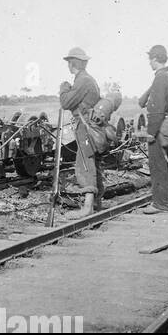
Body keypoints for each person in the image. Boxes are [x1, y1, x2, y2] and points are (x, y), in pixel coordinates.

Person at [58, 47, 104, 217]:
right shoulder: (88, 79)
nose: (68, 66)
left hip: (85, 127)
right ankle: (96, 204)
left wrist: (64, 88)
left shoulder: (82, 80)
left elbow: (66, 102)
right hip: (90, 126)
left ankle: (88, 207)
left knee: (85, 163)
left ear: (72, 64)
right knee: (91, 161)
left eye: (69, 63)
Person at [139, 44, 168, 215]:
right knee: (164, 164)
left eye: (150, 59)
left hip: (158, 128)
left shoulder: (161, 78)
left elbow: (157, 108)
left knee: (158, 166)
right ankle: (164, 202)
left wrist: (151, 132)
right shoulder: (165, 77)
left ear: (155, 58)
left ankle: (160, 204)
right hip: (163, 127)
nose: (149, 63)